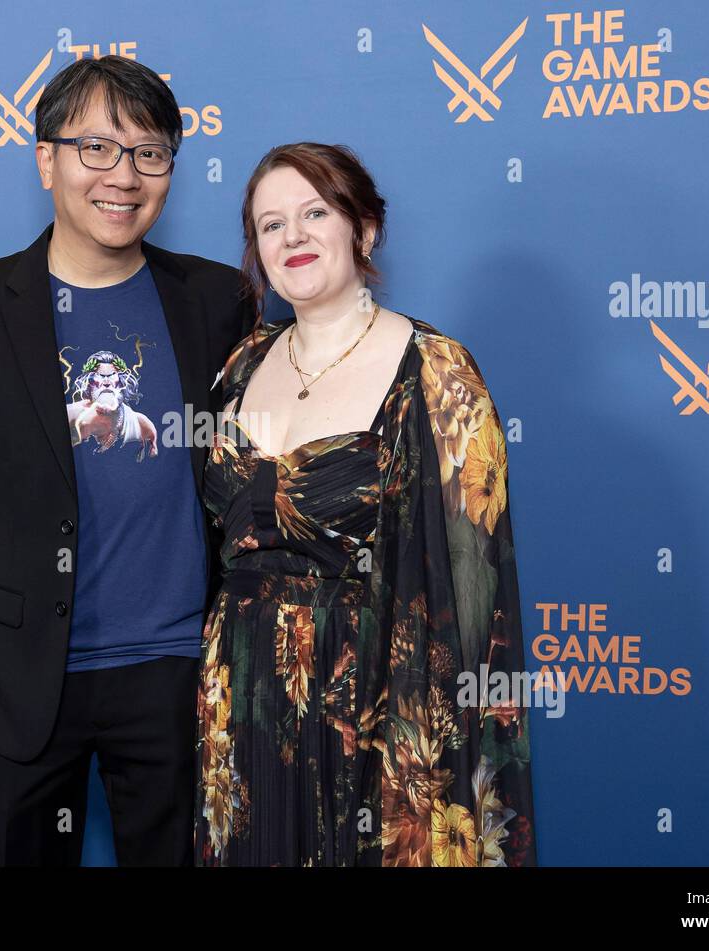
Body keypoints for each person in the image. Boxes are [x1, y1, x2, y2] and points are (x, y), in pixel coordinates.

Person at [0, 54, 253, 865]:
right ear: (45, 159)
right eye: (96, 148)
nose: (123, 176)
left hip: (179, 671)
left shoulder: (219, 299)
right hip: (18, 676)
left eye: (149, 152)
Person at [194, 143, 538, 866]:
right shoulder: (241, 364)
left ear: (365, 228)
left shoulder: (435, 371)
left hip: (375, 709)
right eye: (270, 224)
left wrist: (428, 756)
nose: (293, 237)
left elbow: (477, 600)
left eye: (315, 212)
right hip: (240, 701)